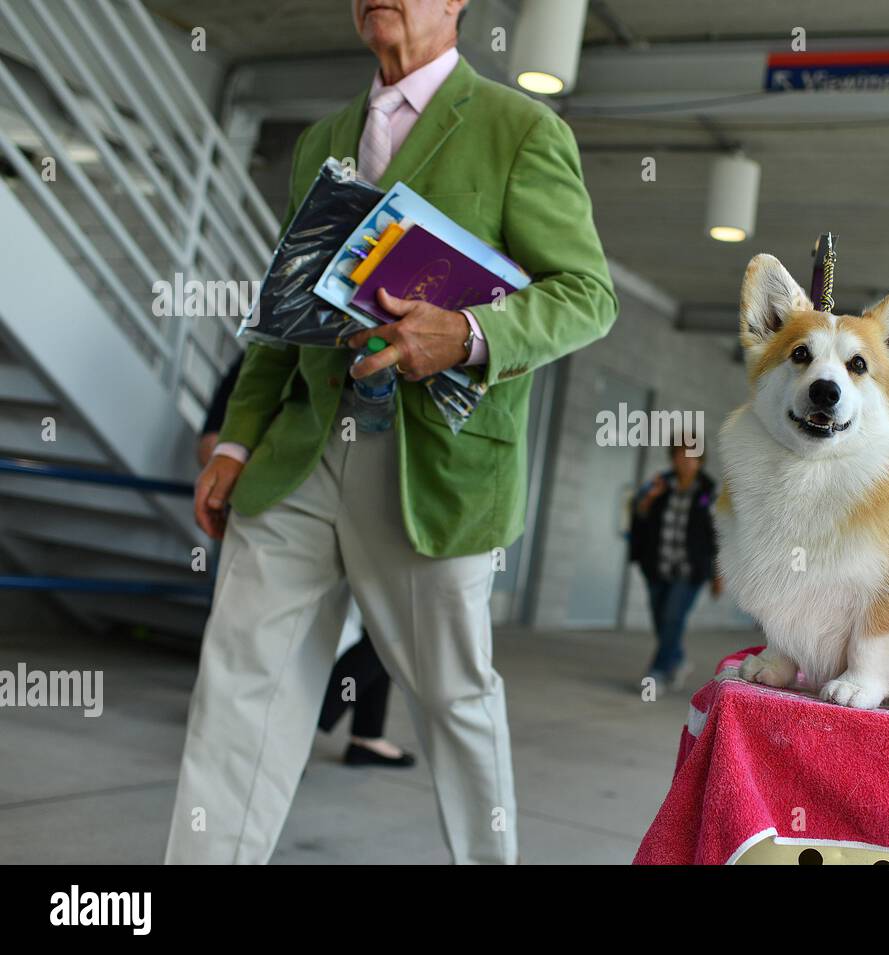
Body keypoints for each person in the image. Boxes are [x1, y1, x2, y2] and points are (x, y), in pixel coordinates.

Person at [167, 0, 617, 865]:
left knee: (451, 699)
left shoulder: (519, 129)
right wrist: (233, 438)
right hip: (297, 457)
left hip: (430, 468)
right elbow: (285, 311)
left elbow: (588, 296)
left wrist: (470, 333)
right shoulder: (321, 138)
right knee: (237, 685)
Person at [201, 356, 415, 769]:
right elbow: (214, 437)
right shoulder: (272, 352)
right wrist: (230, 480)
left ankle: (364, 733)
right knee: (274, 639)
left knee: (392, 622)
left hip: (373, 496)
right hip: (284, 501)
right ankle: (297, 727)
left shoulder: (380, 350)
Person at [628, 441, 721, 691]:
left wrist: (717, 575)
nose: (684, 462)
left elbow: (717, 533)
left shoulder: (708, 491)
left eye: (690, 457)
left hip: (690, 571)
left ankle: (657, 673)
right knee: (662, 620)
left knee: (672, 617)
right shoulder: (659, 484)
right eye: (679, 456)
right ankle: (678, 660)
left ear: (700, 461)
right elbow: (639, 514)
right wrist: (648, 499)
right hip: (657, 566)